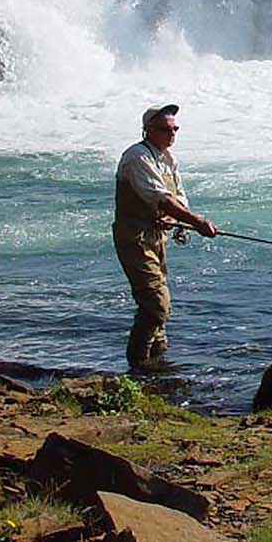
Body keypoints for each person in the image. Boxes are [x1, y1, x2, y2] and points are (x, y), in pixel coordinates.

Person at [113, 104, 218, 368]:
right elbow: (161, 198)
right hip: (134, 237)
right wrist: (197, 222)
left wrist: (177, 222)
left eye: (175, 129)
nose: (172, 134)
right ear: (148, 130)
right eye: (165, 129)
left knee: (157, 307)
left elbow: (177, 197)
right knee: (156, 303)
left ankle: (157, 363)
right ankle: (137, 366)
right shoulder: (138, 157)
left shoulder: (168, 158)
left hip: (155, 238)